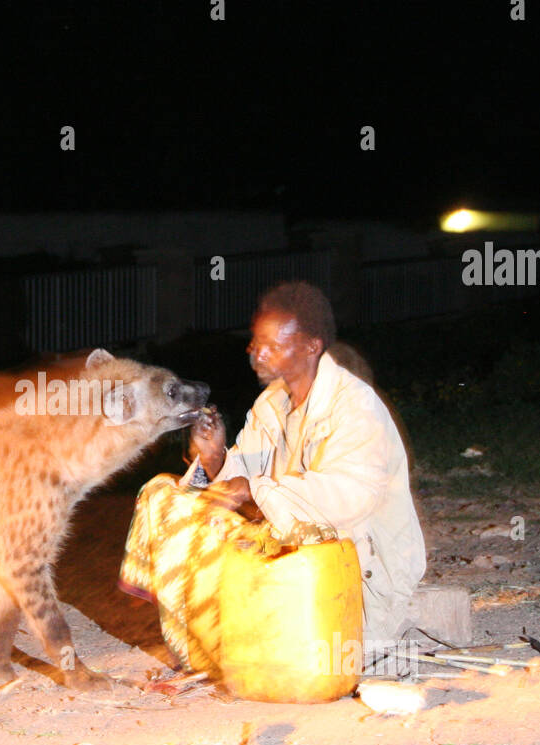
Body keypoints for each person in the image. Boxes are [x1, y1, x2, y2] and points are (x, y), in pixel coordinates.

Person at [119, 281, 425, 673]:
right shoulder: (273, 402)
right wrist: (214, 459)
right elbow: (242, 477)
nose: (256, 353)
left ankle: (246, 639)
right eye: (255, 342)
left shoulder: (355, 406)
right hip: (296, 550)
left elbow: (350, 498)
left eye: (272, 345)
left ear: (312, 347)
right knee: (164, 495)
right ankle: (197, 644)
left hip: (355, 576)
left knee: (292, 660)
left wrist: (253, 489)